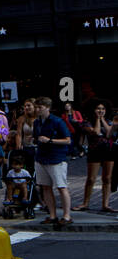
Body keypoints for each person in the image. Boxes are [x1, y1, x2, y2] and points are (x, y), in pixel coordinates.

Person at [31, 96, 73, 226]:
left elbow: (68, 140)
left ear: (47, 108)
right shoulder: (37, 122)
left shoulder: (57, 121)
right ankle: (52, 214)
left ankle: (66, 215)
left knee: (61, 186)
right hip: (41, 157)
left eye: (40, 107)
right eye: (36, 107)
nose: (38, 110)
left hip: (56, 157)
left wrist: (50, 140)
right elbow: (35, 137)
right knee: (45, 187)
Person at [78, 102, 114, 213]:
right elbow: (96, 132)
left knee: (107, 178)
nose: (101, 111)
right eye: (98, 108)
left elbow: (109, 133)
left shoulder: (108, 122)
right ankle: (86, 203)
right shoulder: (87, 123)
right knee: (91, 178)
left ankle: (105, 204)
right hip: (95, 151)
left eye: (103, 108)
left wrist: (102, 119)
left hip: (109, 151)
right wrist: (98, 120)